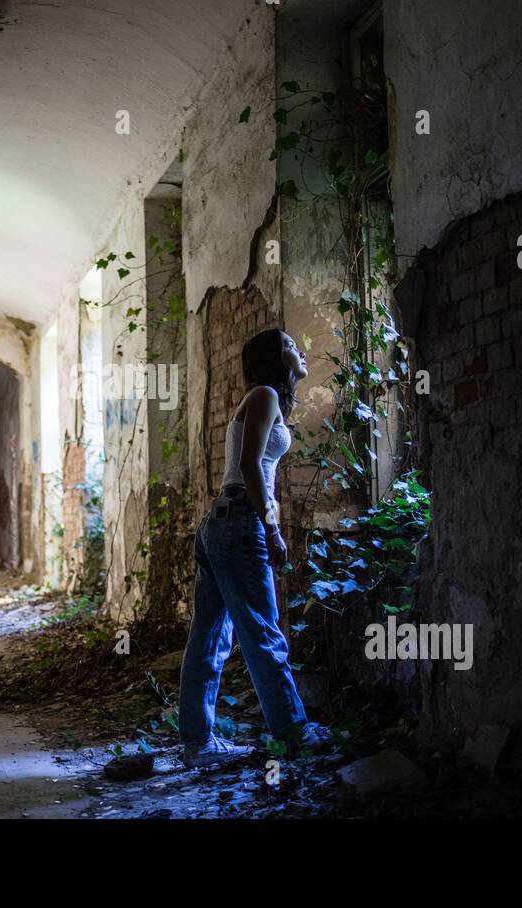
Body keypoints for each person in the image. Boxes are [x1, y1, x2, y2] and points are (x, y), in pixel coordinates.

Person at [177, 328, 331, 768]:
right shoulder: (264, 394)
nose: (300, 349)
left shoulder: (266, 398)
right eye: (291, 345)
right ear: (275, 358)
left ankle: (197, 743)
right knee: (262, 632)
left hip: (222, 523)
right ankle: (294, 733)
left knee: (209, 636)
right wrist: (272, 528)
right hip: (241, 521)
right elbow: (249, 465)